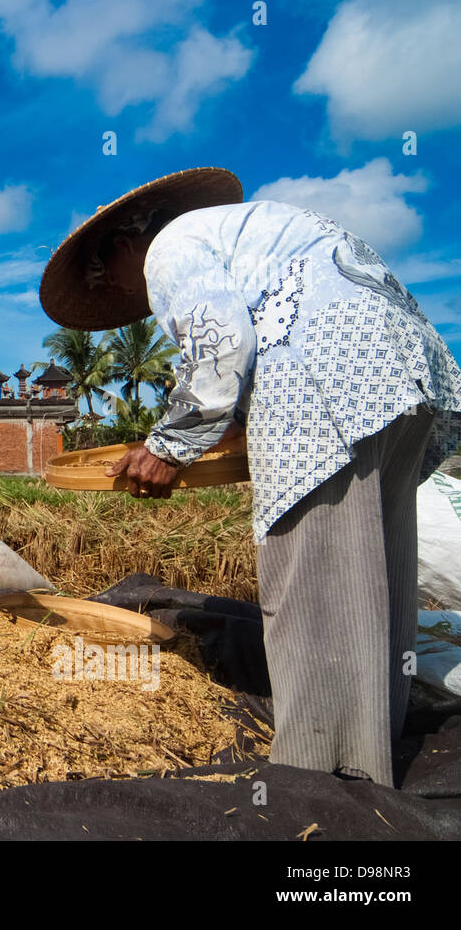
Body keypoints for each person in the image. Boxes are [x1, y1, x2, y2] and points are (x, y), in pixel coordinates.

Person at [39, 168, 461, 787]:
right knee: (374, 572)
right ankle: (371, 748)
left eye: (106, 274)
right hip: (395, 376)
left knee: (312, 580)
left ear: (128, 242)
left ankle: (319, 775)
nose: (120, 288)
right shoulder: (241, 232)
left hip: (326, 377)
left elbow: (223, 346)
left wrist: (170, 446)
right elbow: (247, 351)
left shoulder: (172, 246)